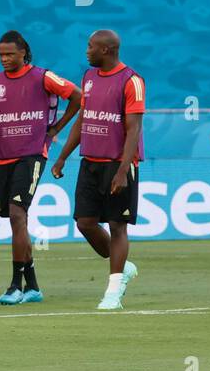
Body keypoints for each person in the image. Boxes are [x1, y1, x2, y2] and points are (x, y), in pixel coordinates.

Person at [0, 30, 80, 304]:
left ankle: (15, 285)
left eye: (9, 54)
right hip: (5, 157)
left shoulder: (43, 77)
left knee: (17, 214)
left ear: (23, 53)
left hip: (32, 154)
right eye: (1, 55)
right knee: (15, 220)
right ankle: (33, 286)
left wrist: (56, 127)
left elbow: (78, 97)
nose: (4, 59)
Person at [50, 29, 143, 310]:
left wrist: (122, 170)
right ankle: (122, 267)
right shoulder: (89, 78)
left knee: (117, 226)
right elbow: (84, 118)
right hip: (89, 162)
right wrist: (63, 156)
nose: (86, 51)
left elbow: (133, 128)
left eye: (91, 47)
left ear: (106, 50)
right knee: (85, 222)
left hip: (118, 164)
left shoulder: (132, 81)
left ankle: (113, 291)